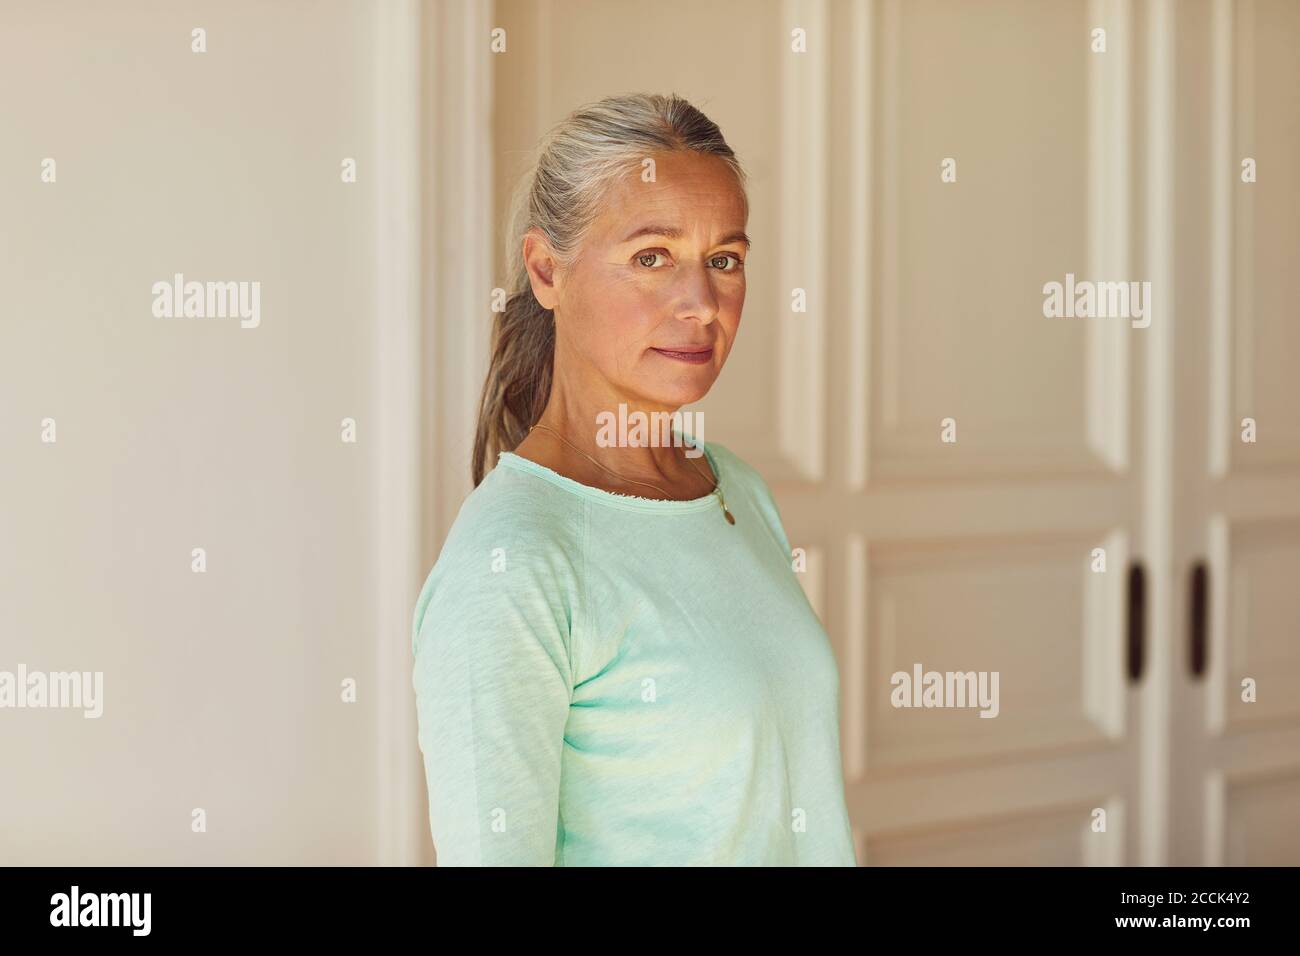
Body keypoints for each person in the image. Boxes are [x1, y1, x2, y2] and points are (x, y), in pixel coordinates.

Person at [411, 92, 857, 866]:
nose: (701, 304)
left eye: (725, 260)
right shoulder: (512, 563)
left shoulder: (736, 491)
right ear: (547, 270)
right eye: (652, 257)